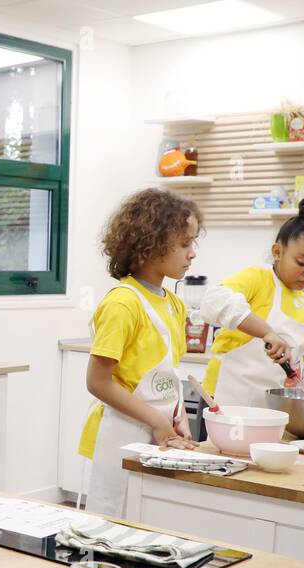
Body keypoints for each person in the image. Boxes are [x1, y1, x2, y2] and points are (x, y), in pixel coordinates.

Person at [78, 188, 201, 516]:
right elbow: (98, 382)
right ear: (151, 243)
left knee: (151, 521)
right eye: (184, 244)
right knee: (112, 527)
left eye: (193, 244)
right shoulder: (123, 303)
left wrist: (179, 420)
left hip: (159, 431)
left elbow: (168, 376)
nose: (192, 254)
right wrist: (156, 421)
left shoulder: (174, 304)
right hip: (121, 432)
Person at [199, 196, 304, 406]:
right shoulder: (258, 280)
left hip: (271, 412)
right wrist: (266, 332)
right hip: (225, 402)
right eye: (302, 262)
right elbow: (214, 301)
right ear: (277, 252)